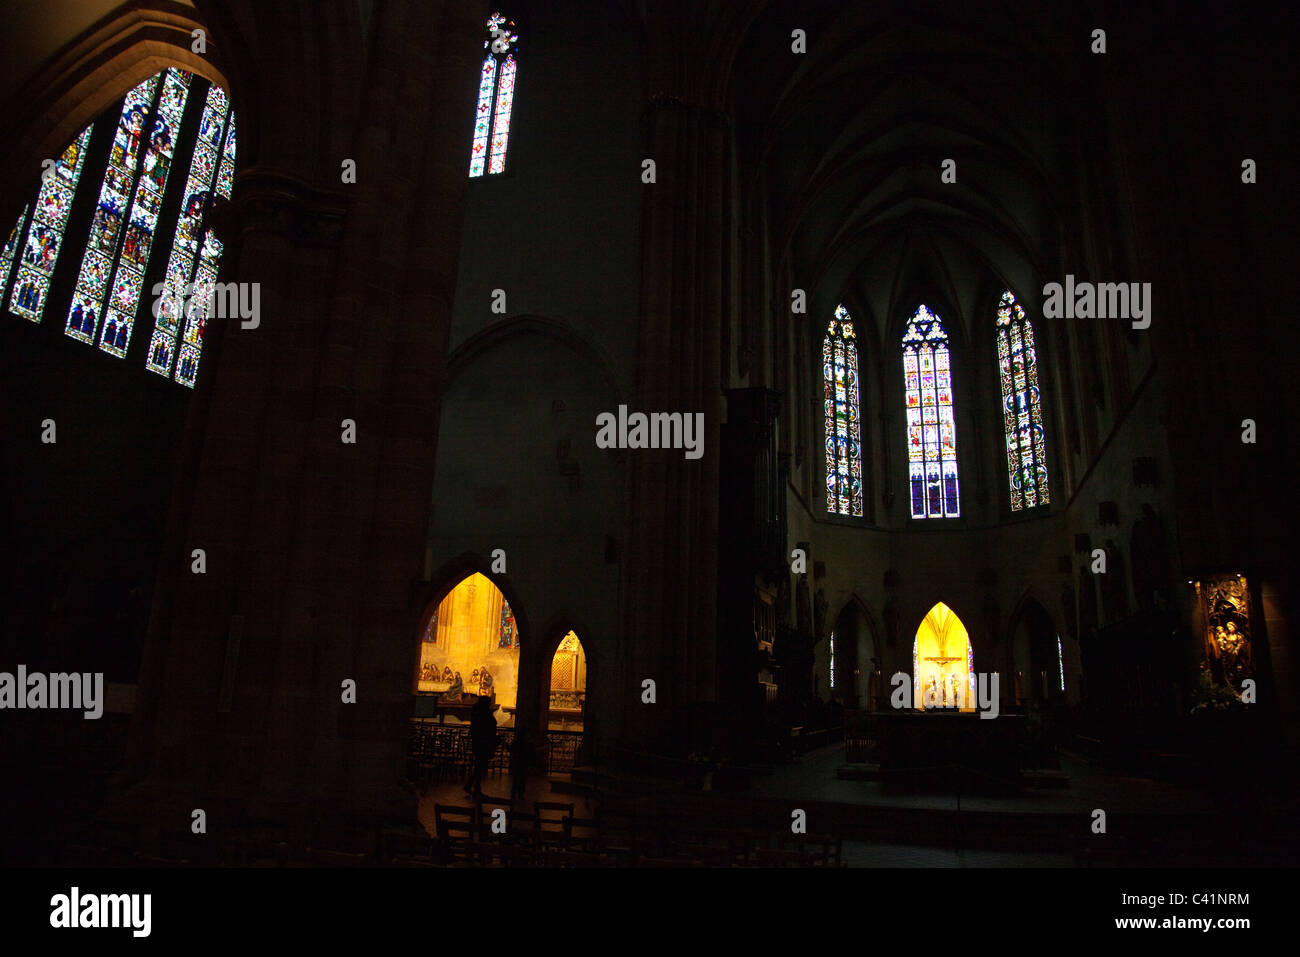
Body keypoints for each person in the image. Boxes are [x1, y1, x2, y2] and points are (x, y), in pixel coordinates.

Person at [464, 696, 498, 796]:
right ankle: (474, 787)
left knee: (479, 766)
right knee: (480, 766)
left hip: (479, 743)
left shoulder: (476, 714)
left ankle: (472, 786)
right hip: (483, 743)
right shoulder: (484, 714)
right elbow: (489, 726)